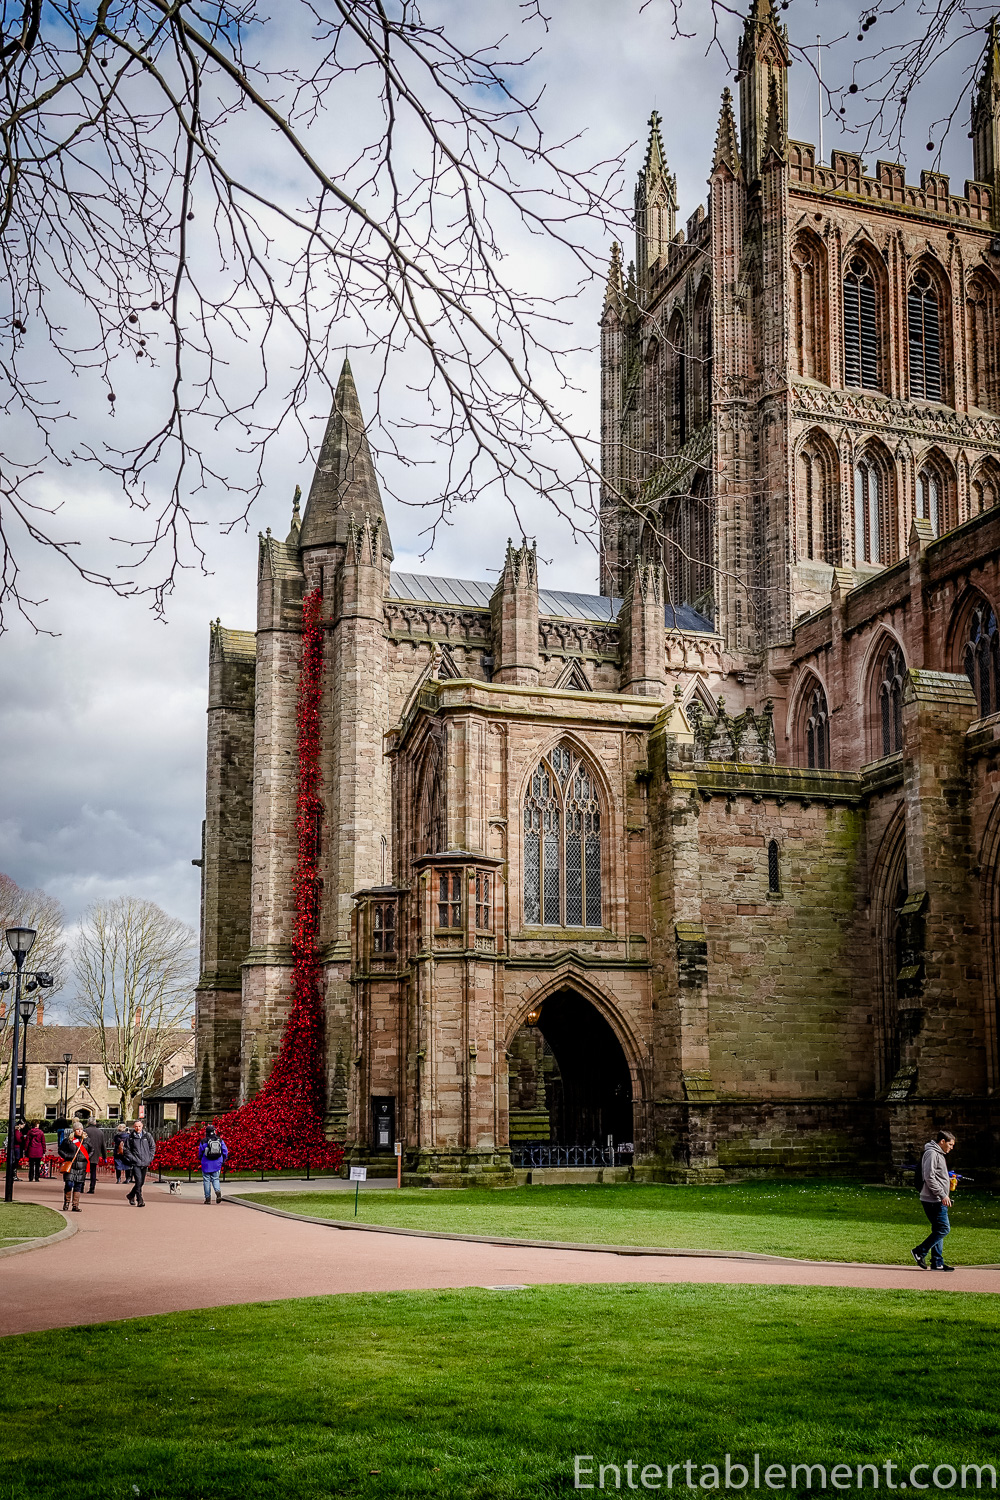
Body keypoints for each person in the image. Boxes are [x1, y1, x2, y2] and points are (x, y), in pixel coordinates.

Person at [912, 1129, 957, 1272]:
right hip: (933, 1199)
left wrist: (947, 1179)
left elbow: (936, 1175)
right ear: (942, 1142)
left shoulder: (938, 1153)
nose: (951, 1148)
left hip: (936, 1198)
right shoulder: (932, 1153)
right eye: (950, 1144)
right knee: (944, 1228)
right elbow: (929, 1177)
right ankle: (920, 1251)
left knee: (938, 1229)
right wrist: (943, 1195)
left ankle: (937, 1262)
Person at [122, 1118, 156, 1207]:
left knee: (141, 1182)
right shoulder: (131, 1137)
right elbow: (126, 1149)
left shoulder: (147, 1136)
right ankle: (140, 1199)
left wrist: (150, 1158)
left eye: (139, 1126)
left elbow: (152, 1147)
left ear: (142, 1126)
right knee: (138, 1181)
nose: (138, 1128)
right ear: (134, 1127)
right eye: (136, 1126)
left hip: (145, 1161)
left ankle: (131, 1195)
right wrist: (132, 1159)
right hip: (136, 1162)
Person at [58, 1122, 90, 1212]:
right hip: (70, 1165)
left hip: (81, 1166)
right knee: (69, 1184)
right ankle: (66, 1202)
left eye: (81, 1129)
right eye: (77, 1129)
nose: (79, 1131)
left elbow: (92, 1150)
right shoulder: (68, 1140)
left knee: (78, 1185)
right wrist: (67, 1156)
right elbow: (60, 1150)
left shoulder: (86, 1140)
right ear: (74, 1130)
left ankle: (75, 1205)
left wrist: (86, 1157)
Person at [198, 1125, 229, 1204]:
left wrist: (200, 1159)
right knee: (215, 1179)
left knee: (206, 1180)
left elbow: (200, 1152)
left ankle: (207, 1198)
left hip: (206, 1163)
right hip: (217, 1162)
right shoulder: (219, 1140)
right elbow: (225, 1151)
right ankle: (218, 1192)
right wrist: (223, 1159)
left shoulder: (203, 1141)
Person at [83, 1121, 108, 1194]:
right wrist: (104, 1156)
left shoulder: (85, 1131)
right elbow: (103, 1145)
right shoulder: (100, 1132)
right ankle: (92, 1188)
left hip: (85, 1154)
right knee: (93, 1172)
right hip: (95, 1154)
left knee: (83, 1171)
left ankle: (81, 1187)